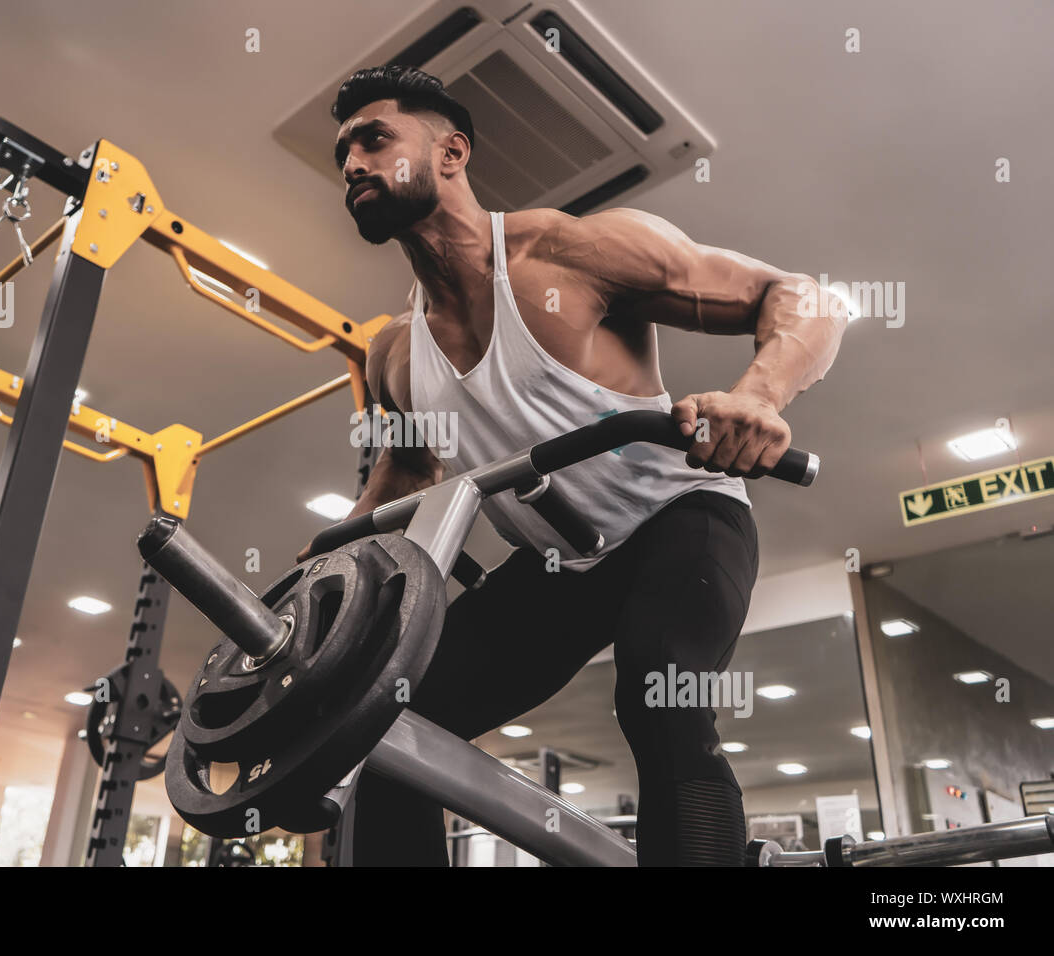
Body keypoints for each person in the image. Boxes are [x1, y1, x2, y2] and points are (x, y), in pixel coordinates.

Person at [308, 65, 847, 866]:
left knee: (660, 695)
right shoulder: (393, 353)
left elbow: (802, 296)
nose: (352, 163)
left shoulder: (569, 253)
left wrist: (759, 397)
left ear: (451, 152)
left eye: (375, 138)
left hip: (680, 519)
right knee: (393, 727)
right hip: (561, 561)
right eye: (344, 150)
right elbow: (407, 475)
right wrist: (328, 573)